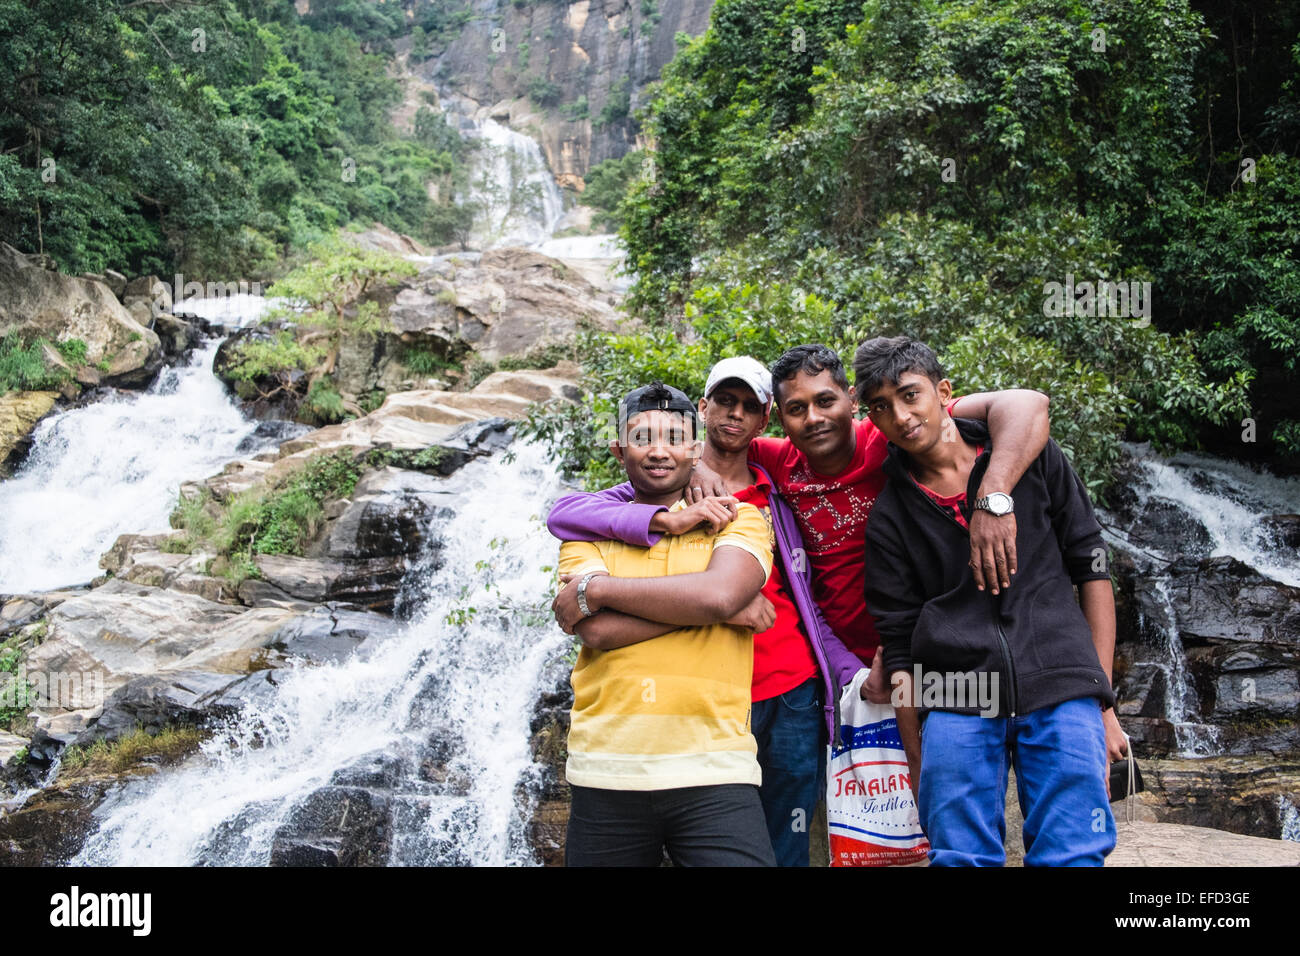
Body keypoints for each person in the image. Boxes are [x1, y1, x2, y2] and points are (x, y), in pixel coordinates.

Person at [547, 357, 865, 866]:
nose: (734, 415)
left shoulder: (768, 495)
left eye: (749, 407)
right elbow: (563, 515)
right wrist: (706, 586)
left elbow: (787, 596)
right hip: (679, 725)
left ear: (766, 420)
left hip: (785, 692)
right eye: (724, 401)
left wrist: (603, 590)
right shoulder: (622, 508)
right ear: (704, 406)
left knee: (784, 839)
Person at [856, 335, 1126, 867]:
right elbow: (901, 647)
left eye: (911, 395)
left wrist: (1103, 700)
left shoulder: (1029, 456)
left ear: (944, 393)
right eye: (881, 408)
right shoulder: (889, 517)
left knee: (1074, 852)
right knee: (959, 857)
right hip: (956, 692)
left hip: (1060, 674)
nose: (901, 417)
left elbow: (1091, 568)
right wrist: (917, 761)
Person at [691, 344, 1054, 683]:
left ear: (852, 401)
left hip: (932, 647)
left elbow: (1027, 404)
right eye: (797, 409)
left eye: (825, 401)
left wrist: (992, 497)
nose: (814, 418)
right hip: (838, 662)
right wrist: (697, 465)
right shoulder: (778, 460)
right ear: (781, 421)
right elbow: (708, 443)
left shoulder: (893, 436)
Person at [550, 381, 777, 866]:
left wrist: (600, 592)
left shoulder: (739, 518)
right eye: (642, 437)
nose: (659, 451)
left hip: (716, 766)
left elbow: (716, 594)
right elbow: (596, 632)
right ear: (618, 449)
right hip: (606, 767)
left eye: (674, 438)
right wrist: (718, 609)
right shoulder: (588, 528)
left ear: (696, 450)